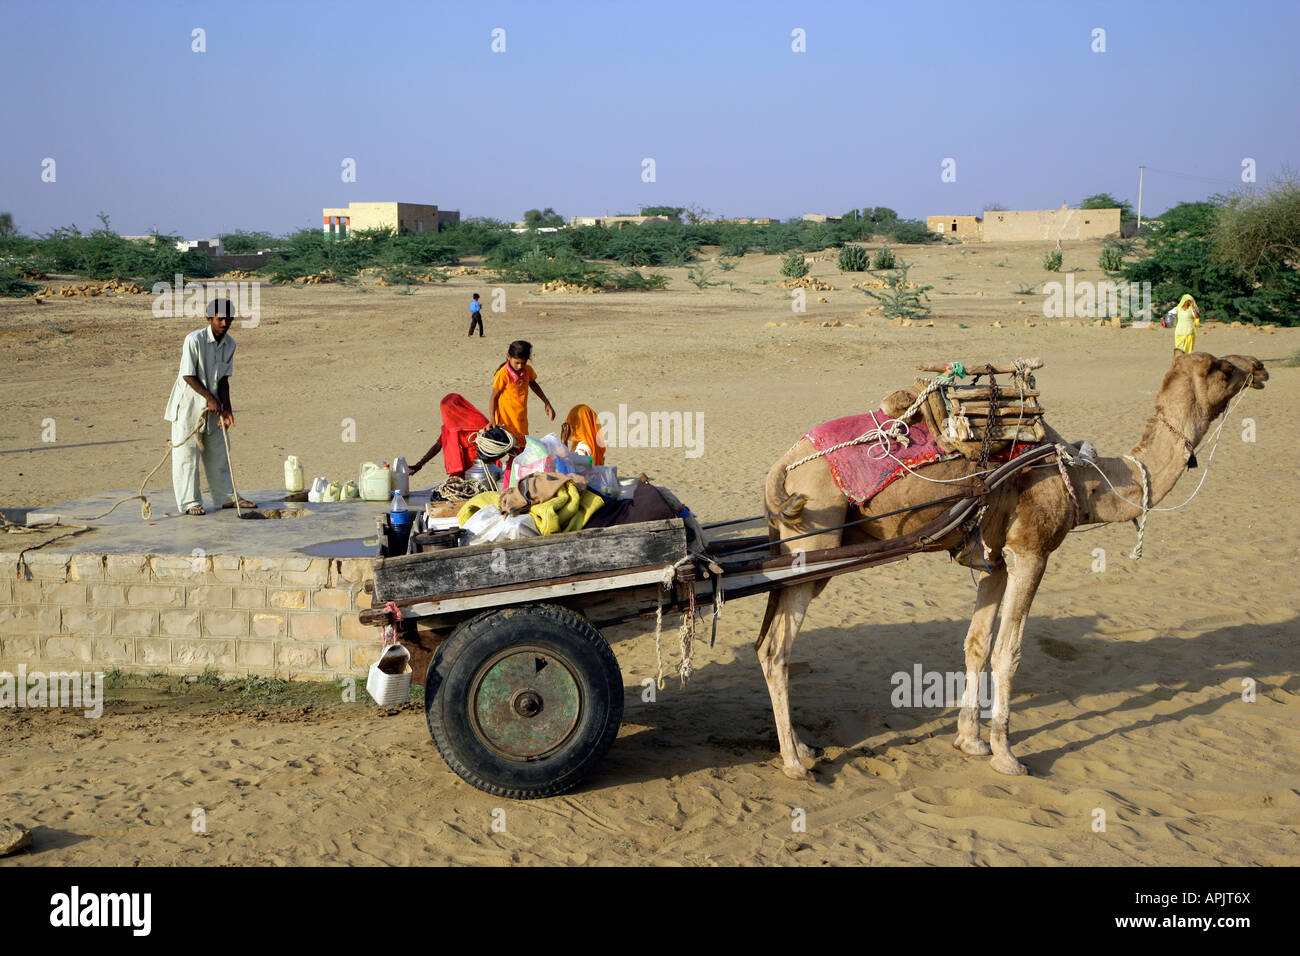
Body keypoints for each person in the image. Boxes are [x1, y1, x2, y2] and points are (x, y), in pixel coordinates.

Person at [163, 298, 255, 516]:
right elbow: (188, 375)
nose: (224, 323)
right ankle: (190, 503)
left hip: (213, 406)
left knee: (219, 451)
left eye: (228, 319)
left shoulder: (230, 344)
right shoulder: (194, 340)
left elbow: (223, 380)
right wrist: (210, 399)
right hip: (188, 406)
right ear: (209, 319)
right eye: (219, 319)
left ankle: (226, 497)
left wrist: (226, 408)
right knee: (187, 455)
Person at [490, 340, 554, 451]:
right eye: (517, 363)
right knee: (513, 450)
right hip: (506, 420)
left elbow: (533, 384)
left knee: (521, 450)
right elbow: (494, 397)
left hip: (521, 419)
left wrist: (546, 403)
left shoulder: (527, 371)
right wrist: (492, 419)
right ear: (508, 357)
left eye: (523, 363)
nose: (520, 366)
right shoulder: (503, 374)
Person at [410, 394, 489, 478]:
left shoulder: (478, 422)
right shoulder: (451, 428)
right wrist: (419, 465)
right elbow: (437, 446)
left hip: (483, 466)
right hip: (464, 468)